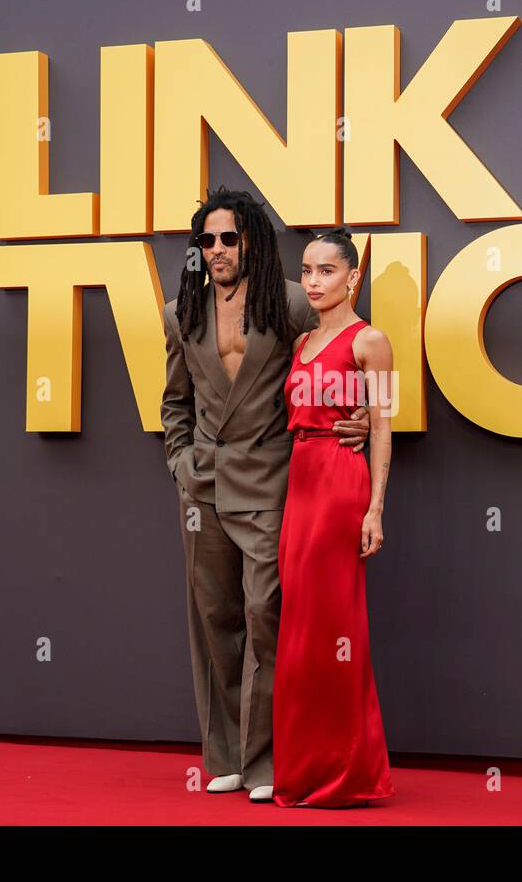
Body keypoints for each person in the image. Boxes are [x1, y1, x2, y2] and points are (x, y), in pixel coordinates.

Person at [160, 188, 370, 803]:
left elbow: (351, 346)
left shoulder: (292, 304)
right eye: (208, 240)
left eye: (230, 237)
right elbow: (175, 401)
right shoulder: (181, 313)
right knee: (214, 621)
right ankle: (223, 756)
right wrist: (180, 462)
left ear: (250, 239)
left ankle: (265, 761)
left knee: (265, 618)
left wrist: (365, 414)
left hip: (272, 485)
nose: (218, 249)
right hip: (202, 489)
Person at [272, 227, 397, 808]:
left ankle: (347, 773)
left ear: (353, 277)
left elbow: (382, 424)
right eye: (308, 270)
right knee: (298, 630)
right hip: (300, 481)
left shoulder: (371, 340)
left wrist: (374, 508)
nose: (315, 281)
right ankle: (300, 771)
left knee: (334, 629)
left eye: (327, 271)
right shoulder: (299, 344)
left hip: (341, 486)